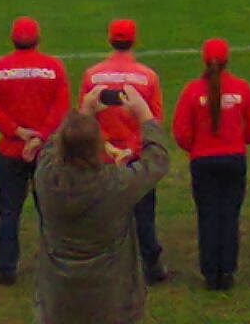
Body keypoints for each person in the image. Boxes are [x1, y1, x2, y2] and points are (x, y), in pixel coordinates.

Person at [34, 82, 170, 324]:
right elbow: (157, 160)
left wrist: (83, 113)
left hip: (58, 296)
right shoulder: (116, 185)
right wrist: (145, 116)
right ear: (98, 147)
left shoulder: (46, 177)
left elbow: (50, 147)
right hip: (110, 298)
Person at [80, 19, 169, 284]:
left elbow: (86, 118)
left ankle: (104, 268)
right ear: (134, 39)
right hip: (137, 158)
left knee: (104, 214)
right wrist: (130, 149)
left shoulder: (92, 75)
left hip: (103, 157)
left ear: (109, 39)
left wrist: (108, 146)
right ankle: (151, 267)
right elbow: (153, 120)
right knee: (144, 214)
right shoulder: (148, 76)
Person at [0, 17, 70, 285]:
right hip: (46, 152)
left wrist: (17, 132)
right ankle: (57, 265)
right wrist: (40, 137)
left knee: (9, 212)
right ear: (38, 38)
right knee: (51, 211)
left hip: (10, 150)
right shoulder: (53, 67)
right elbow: (61, 107)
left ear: (12, 39)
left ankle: (6, 267)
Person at [173, 39, 250, 291]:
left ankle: (210, 272)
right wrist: (238, 141)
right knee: (230, 215)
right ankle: (227, 271)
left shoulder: (192, 91)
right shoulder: (241, 88)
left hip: (203, 161)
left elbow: (181, 132)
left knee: (208, 215)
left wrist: (197, 148)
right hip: (234, 159)